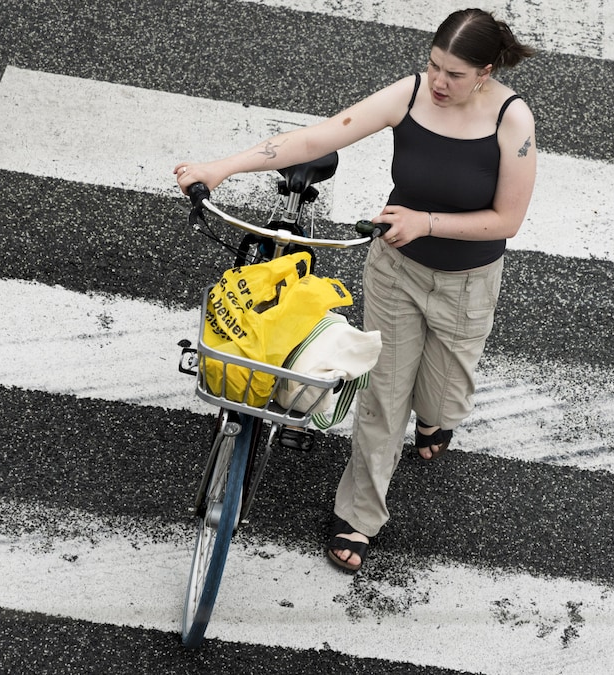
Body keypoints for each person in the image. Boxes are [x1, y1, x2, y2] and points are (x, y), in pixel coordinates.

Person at [175, 8, 537, 572]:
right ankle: (360, 515)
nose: (439, 83)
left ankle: (437, 420)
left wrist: (428, 222)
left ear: (485, 73)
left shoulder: (512, 121)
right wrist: (222, 168)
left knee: (443, 400)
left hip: (467, 283)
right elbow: (318, 136)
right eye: (434, 66)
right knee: (382, 399)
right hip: (394, 270)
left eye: (456, 75)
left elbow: (507, 220)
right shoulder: (411, 95)